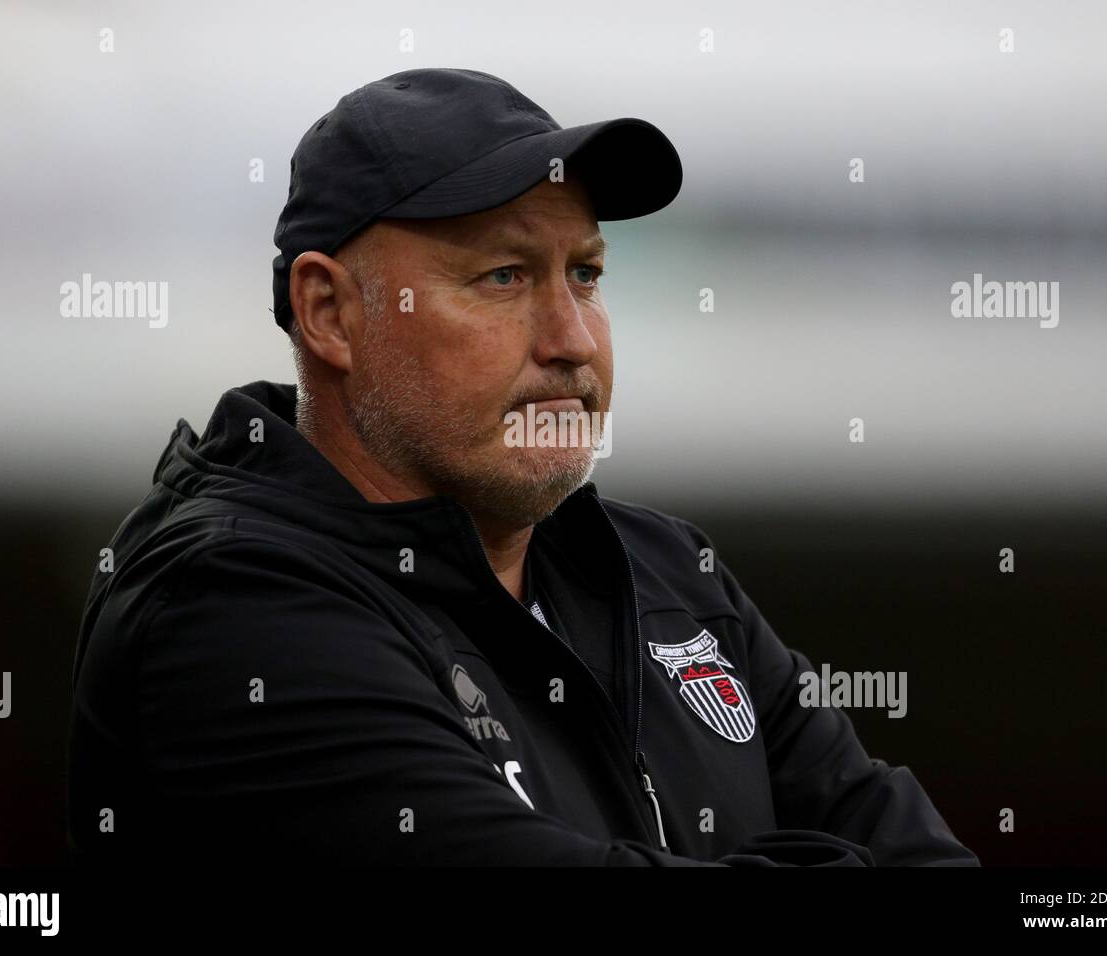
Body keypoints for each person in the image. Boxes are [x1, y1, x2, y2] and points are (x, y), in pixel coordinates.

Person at [66, 67, 978, 866]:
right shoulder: (230, 603)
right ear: (330, 314)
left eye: (585, 274)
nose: (572, 339)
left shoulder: (667, 574)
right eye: (503, 276)